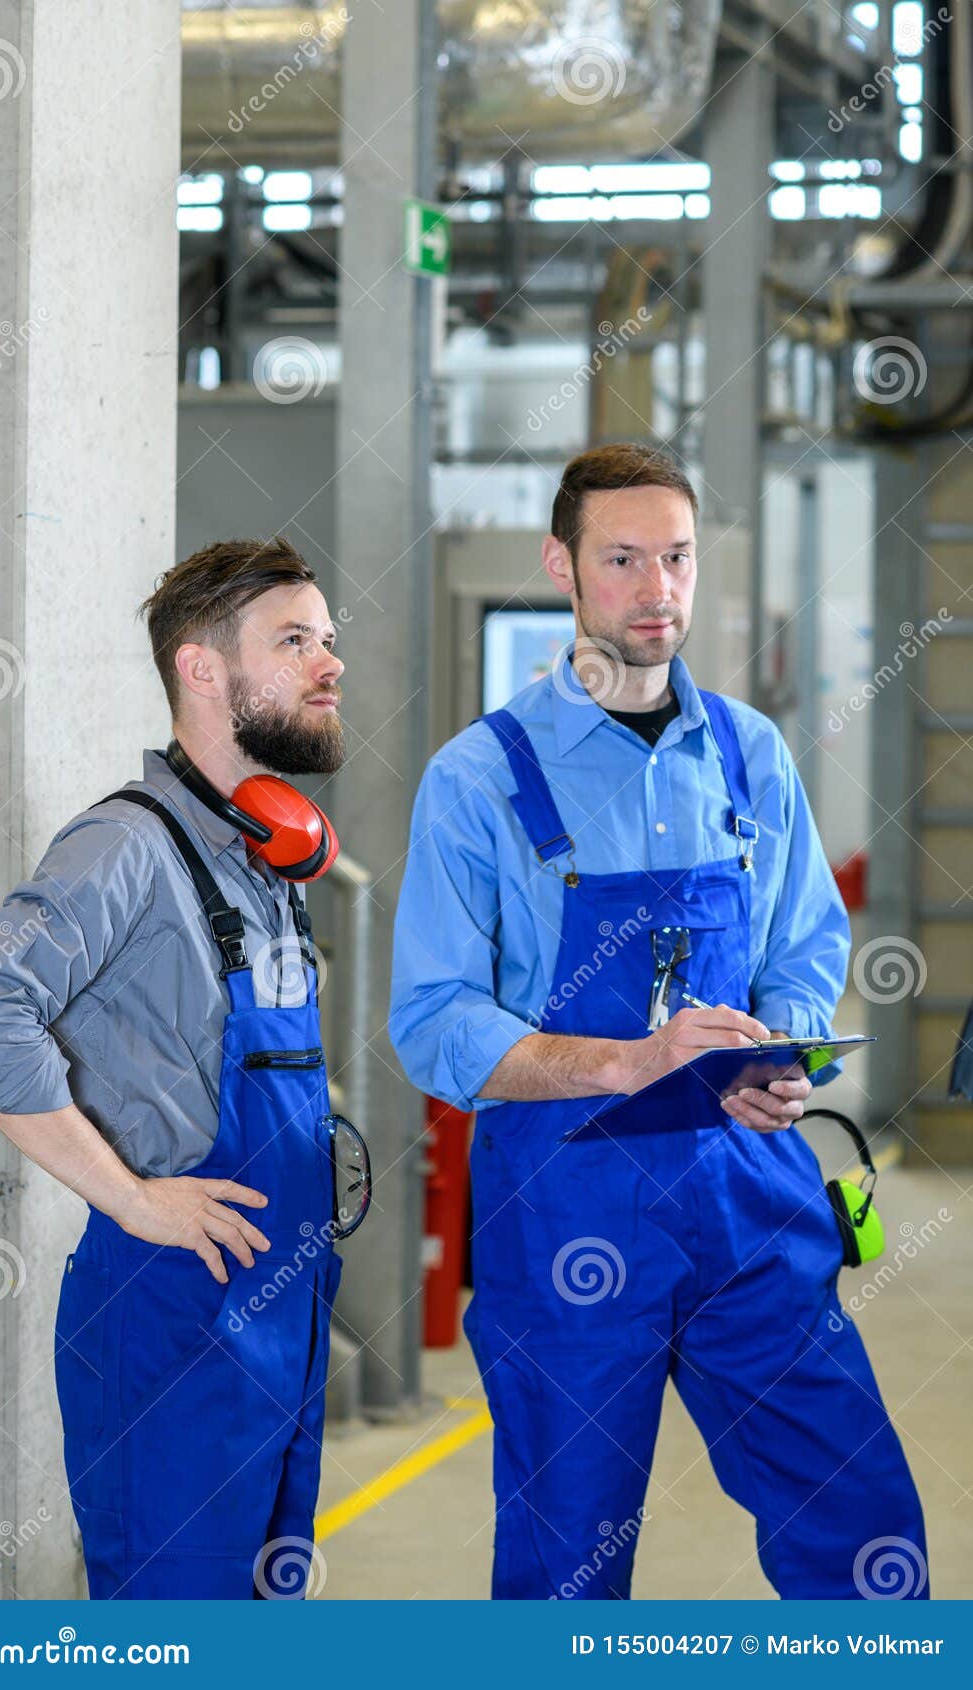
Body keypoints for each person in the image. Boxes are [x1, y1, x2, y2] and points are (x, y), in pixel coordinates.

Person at [389, 444, 927, 1601]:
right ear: (562, 568)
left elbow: (802, 945)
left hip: (752, 1202)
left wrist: (774, 1046)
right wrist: (630, 1059)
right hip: (570, 1219)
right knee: (563, 1567)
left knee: (864, 1527)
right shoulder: (479, 778)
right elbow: (433, 1023)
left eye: (674, 558)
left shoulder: (747, 752)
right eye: (622, 559)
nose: (654, 589)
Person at [0, 536, 360, 1600]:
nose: (328, 663)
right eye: (293, 641)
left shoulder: (265, 861)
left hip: (280, 1311)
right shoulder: (126, 847)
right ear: (201, 670)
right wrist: (129, 1198)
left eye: (328, 640)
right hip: (175, 1320)